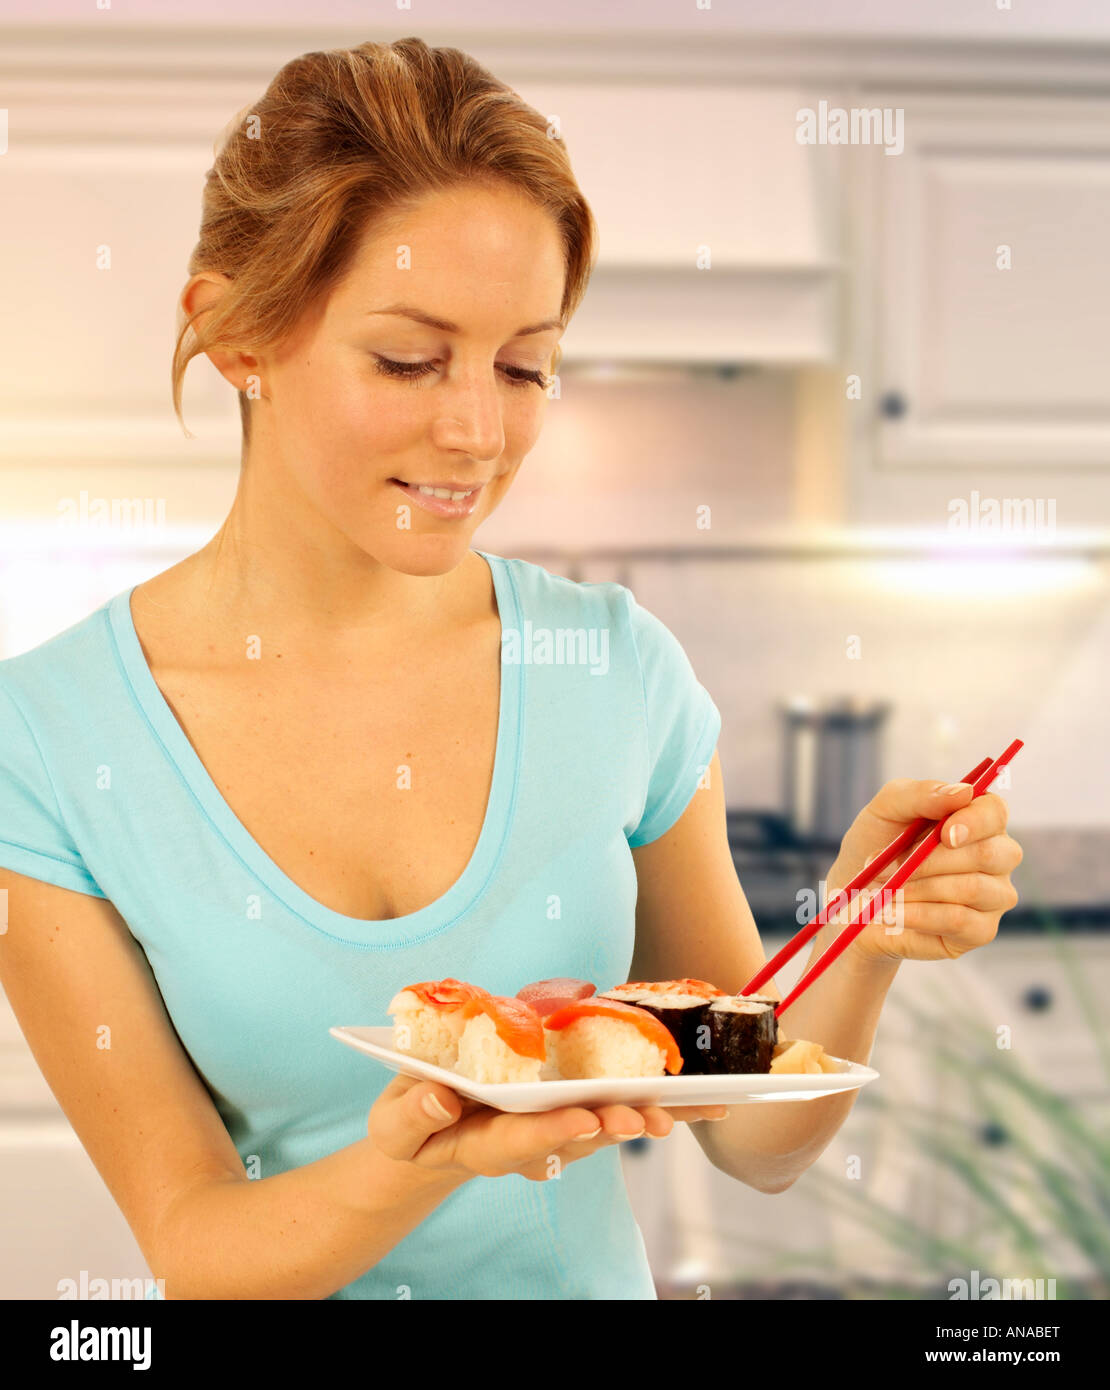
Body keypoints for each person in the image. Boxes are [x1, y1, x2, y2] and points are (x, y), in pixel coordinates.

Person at [0, 37, 1022, 1301]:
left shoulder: (613, 670)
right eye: (409, 359)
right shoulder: (47, 742)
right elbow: (200, 1247)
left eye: (526, 365)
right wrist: (433, 1149)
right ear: (235, 335)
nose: (478, 432)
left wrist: (864, 927)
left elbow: (755, 1141)